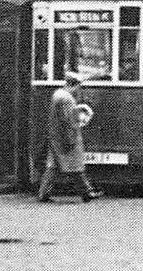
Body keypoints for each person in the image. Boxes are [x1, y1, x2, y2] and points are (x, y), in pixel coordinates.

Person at [38, 72, 103, 203]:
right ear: (74, 85)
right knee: (76, 167)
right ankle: (87, 192)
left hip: (55, 137)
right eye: (79, 87)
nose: (79, 91)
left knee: (53, 167)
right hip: (65, 139)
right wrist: (71, 140)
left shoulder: (58, 95)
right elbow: (69, 121)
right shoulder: (67, 99)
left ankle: (43, 194)